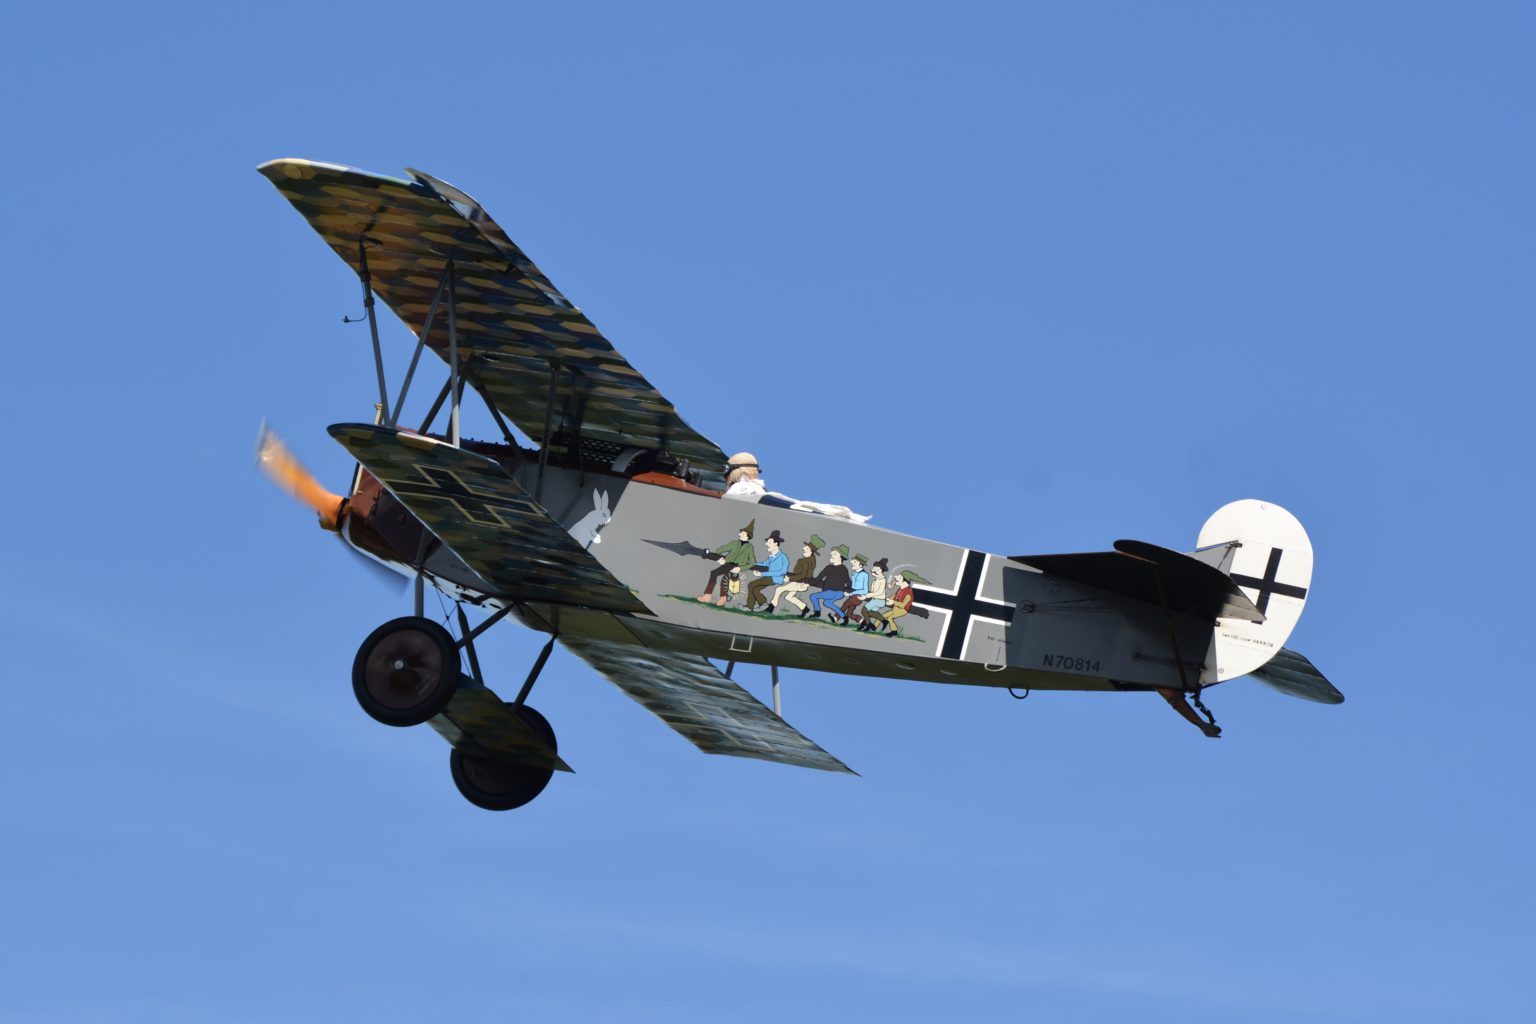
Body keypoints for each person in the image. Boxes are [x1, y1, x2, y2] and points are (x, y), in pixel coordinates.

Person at [698, 519, 756, 606]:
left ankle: (721, 598)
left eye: (742, 533)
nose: (739, 534)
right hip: (728, 563)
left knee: (723, 579)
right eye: (740, 533)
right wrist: (719, 558)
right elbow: (721, 549)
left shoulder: (749, 548)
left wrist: (740, 568)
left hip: (737, 566)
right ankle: (708, 596)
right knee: (714, 573)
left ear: (748, 536)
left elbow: (752, 562)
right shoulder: (735, 543)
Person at [774, 535, 823, 614]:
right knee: (788, 597)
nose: (803, 548)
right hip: (803, 583)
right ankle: (804, 608)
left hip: (799, 583)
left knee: (779, 590)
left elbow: (802, 575)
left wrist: (789, 578)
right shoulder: (813, 559)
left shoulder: (803, 561)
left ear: (810, 552)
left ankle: (771, 607)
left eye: (806, 548)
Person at [746, 530, 790, 611]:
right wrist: (751, 563)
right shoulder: (771, 557)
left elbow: (782, 572)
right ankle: (761, 604)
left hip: (775, 578)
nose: (766, 544)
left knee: (751, 584)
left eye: (769, 542)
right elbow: (764, 564)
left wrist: (762, 574)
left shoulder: (783, 557)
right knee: (755, 589)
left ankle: (753, 606)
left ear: (776, 543)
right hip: (769, 577)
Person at [807, 545, 852, 619]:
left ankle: (817, 612)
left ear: (841, 557)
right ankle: (844, 616)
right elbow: (818, 578)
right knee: (827, 603)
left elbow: (848, 582)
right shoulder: (836, 568)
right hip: (838, 593)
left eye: (834, 554)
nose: (831, 554)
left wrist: (848, 591)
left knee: (813, 596)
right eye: (832, 553)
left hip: (833, 592)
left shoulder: (841, 569)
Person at [832, 553, 869, 625]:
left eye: (855, 562)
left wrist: (851, 593)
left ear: (860, 565)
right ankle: (860, 620)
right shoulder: (854, 574)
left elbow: (865, 590)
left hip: (858, 596)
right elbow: (853, 586)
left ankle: (836, 618)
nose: (852, 563)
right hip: (852, 595)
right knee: (849, 613)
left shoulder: (864, 575)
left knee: (845, 604)